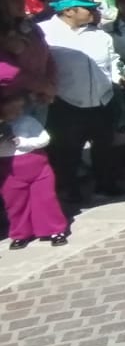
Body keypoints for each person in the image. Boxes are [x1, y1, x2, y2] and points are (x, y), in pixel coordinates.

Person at [39, 0, 123, 201]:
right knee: (68, 151)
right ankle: (71, 191)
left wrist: (119, 76)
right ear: (69, 11)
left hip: (102, 101)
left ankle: (105, 184)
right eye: (87, 8)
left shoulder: (100, 34)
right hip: (66, 103)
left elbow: (113, 61)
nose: (92, 12)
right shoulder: (43, 33)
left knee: (104, 146)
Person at [0, 66, 69, 247]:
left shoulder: (28, 121)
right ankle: (20, 233)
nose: (14, 115)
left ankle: (54, 230)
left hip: (37, 167)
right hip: (10, 170)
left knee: (45, 200)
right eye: (10, 112)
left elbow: (44, 139)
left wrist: (22, 142)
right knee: (15, 203)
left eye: (17, 110)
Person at [0, 0, 58, 118]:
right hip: (11, 106)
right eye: (14, 0)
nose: (21, 3)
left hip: (38, 99)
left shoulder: (31, 27)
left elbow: (47, 56)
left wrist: (50, 85)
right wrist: (40, 85)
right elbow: (3, 70)